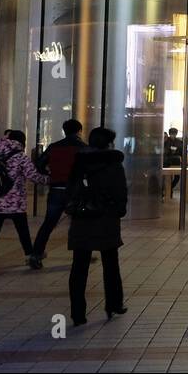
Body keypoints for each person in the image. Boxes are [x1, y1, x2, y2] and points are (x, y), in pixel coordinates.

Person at [66, 127, 128, 326]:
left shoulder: (80, 161)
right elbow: (120, 191)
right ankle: (114, 304)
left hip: (82, 217)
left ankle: (78, 313)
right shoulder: (114, 163)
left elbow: (71, 188)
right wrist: (119, 210)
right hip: (106, 218)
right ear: (108, 143)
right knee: (110, 263)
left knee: (79, 266)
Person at [0, 130, 49, 270]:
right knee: (23, 231)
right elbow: (34, 176)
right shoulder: (20, 157)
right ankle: (30, 257)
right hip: (15, 202)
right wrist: (50, 180)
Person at [30, 118, 85, 267]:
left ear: (64, 131)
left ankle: (36, 255)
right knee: (79, 223)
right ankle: (81, 256)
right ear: (80, 131)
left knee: (48, 223)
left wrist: (50, 175)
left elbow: (39, 164)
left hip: (56, 190)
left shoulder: (54, 147)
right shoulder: (83, 148)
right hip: (76, 191)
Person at [163, 127, 183, 197]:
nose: (173, 135)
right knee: (165, 177)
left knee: (177, 177)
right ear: (169, 134)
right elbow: (164, 152)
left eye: (174, 134)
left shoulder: (179, 142)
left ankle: (169, 189)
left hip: (176, 162)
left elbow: (182, 152)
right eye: (171, 134)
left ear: (176, 134)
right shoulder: (165, 141)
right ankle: (167, 191)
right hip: (166, 162)